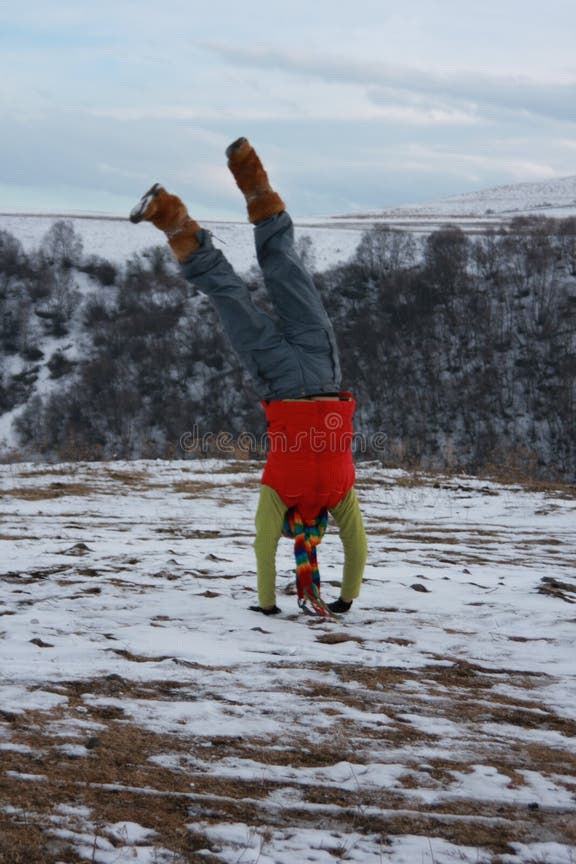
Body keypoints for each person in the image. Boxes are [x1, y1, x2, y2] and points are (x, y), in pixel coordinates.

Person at [130, 138, 367, 616]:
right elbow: (264, 549)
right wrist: (272, 604)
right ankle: (173, 214)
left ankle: (240, 184)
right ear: (292, 526)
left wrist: (347, 595)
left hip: (320, 369)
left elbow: (358, 548)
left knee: (285, 270)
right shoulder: (279, 494)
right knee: (230, 296)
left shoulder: (341, 494)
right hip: (282, 380)